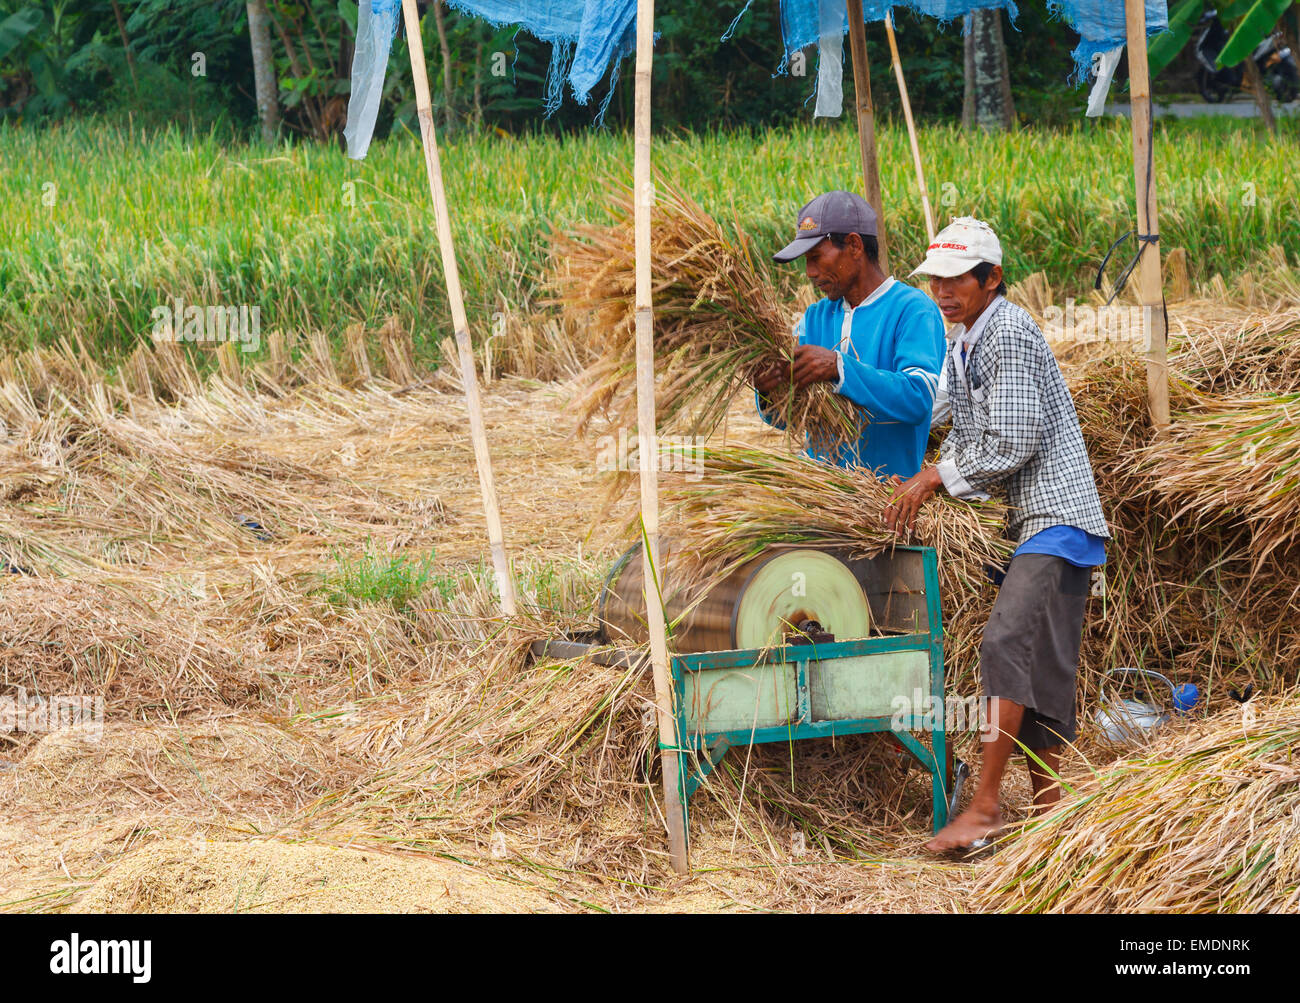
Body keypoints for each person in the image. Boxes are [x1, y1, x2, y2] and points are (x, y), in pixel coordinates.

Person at [884, 217, 1110, 853]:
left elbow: (1013, 440)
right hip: (1034, 527)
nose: (944, 291)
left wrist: (933, 478)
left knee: (1006, 642)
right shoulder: (965, 343)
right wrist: (862, 402)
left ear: (993, 279)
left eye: (958, 279)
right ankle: (1049, 815)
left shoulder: (1007, 332)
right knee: (1041, 667)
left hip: (1057, 520)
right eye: (936, 279)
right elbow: (939, 416)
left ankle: (986, 807)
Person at [754, 191, 945, 480]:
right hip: (821, 496)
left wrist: (840, 368)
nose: (809, 272)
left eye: (816, 257)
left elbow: (918, 399)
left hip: (884, 498)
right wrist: (769, 391)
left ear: (854, 245)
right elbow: (790, 419)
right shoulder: (815, 318)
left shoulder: (913, 310)